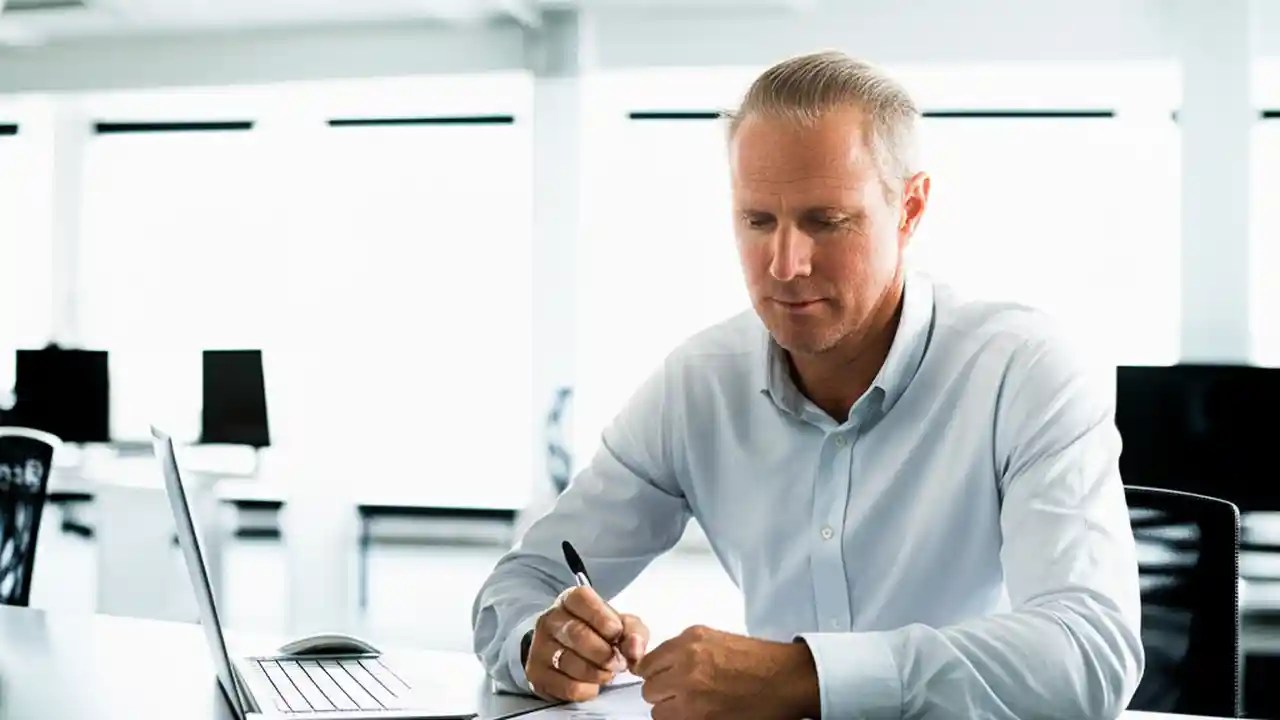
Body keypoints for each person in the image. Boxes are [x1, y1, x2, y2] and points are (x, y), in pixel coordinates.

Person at [471, 50, 1144, 719]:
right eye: (757, 220)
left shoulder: (1024, 372)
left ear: (909, 208)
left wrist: (808, 676)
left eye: (827, 222)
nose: (785, 264)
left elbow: (1090, 653)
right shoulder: (697, 385)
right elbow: (522, 586)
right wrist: (546, 639)